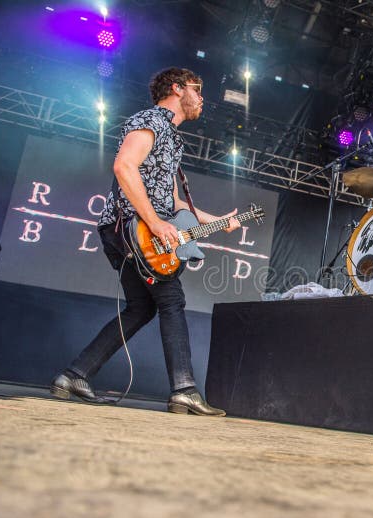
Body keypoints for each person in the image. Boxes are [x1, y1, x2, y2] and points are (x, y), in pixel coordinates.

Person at [50, 67, 240, 415]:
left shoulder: (172, 138)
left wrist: (219, 221)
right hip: (132, 227)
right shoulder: (151, 118)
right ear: (177, 88)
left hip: (133, 230)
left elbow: (175, 203)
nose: (202, 98)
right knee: (171, 299)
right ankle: (184, 388)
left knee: (142, 307)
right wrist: (154, 223)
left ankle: (75, 374)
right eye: (197, 90)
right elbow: (124, 166)